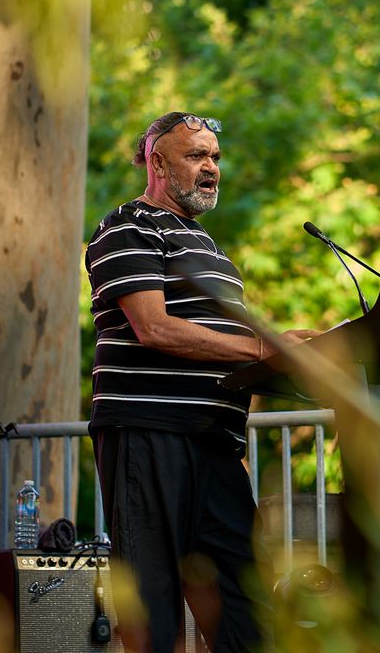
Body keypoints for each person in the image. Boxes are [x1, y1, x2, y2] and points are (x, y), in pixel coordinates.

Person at [84, 111, 316, 652]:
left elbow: (229, 351)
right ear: (157, 163)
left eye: (215, 156)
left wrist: (302, 356)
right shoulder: (128, 225)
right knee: (154, 605)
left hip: (214, 443)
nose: (211, 167)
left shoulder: (211, 249)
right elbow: (154, 328)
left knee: (249, 608)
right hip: (151, 432)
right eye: (196, 155)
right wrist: (267, 349)